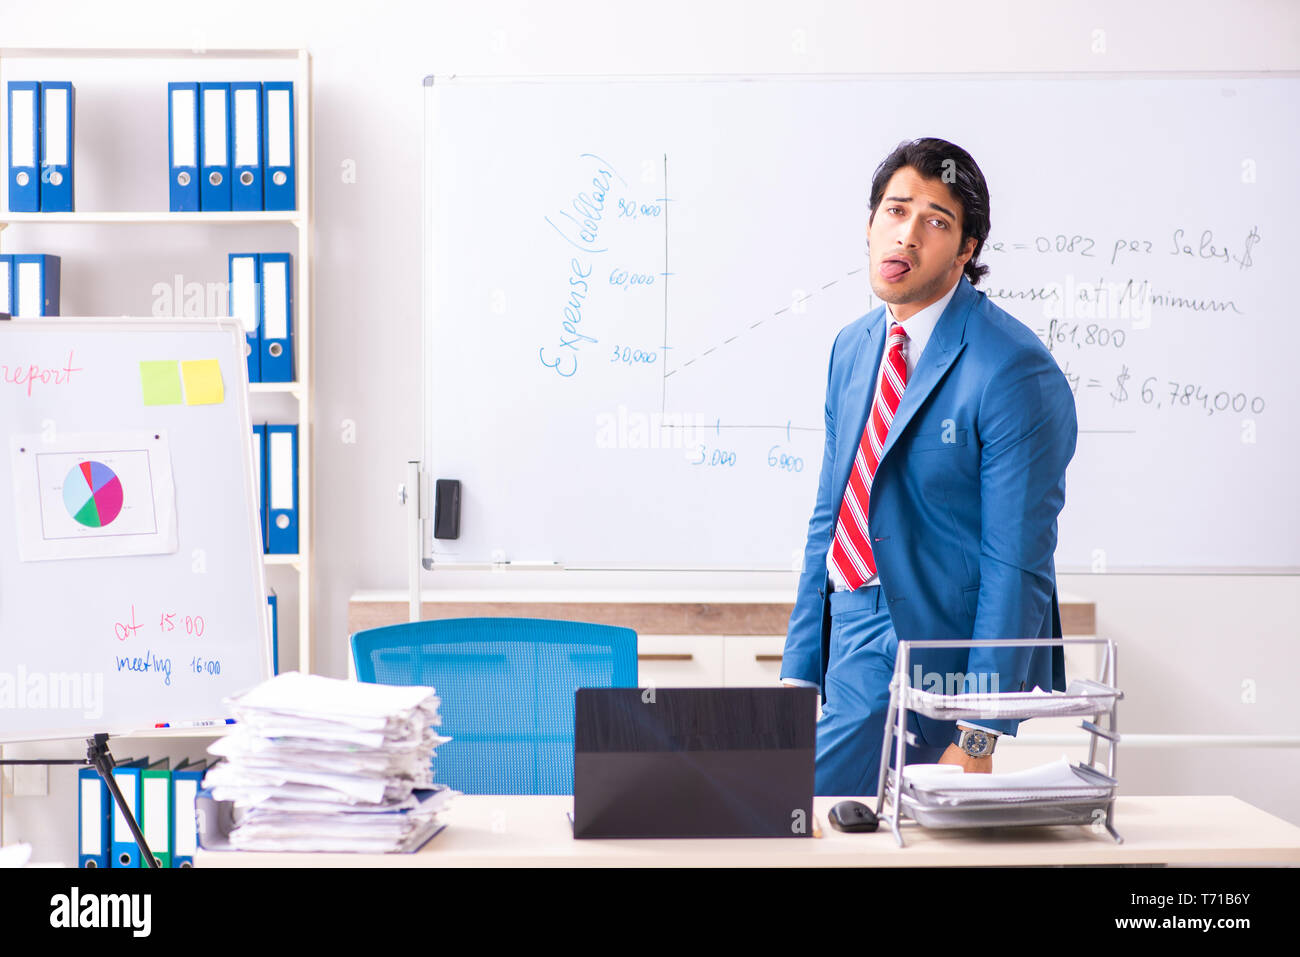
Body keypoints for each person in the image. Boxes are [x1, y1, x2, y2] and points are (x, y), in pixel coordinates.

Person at [780, 137, 1079, 796]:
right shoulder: (854, 347)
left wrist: (977, 733)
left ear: (967, 250)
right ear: (869, 225)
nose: (907, 235)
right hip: (850, 621)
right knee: (812, 816)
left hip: (936, 644)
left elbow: (1016, 563)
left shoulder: (1011, 368)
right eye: (895, 211)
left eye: (936, 221)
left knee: (785, 806)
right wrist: (796, 681)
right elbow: (829, 520)